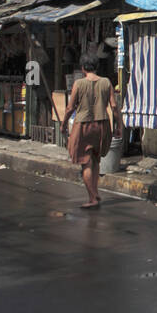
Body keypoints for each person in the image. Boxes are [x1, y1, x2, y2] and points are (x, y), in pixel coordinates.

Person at [64, 57, 121, 209]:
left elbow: (70, 108)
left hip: (83, 125)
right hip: (102, 124)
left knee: (85, 162)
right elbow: (114, 106)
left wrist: (63, 124)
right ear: (97, 67)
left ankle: (92, 198)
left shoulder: (79, 83)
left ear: (83, 68)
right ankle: (95, 192)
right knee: (96, 160)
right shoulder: (106, 82)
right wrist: (119, 126)